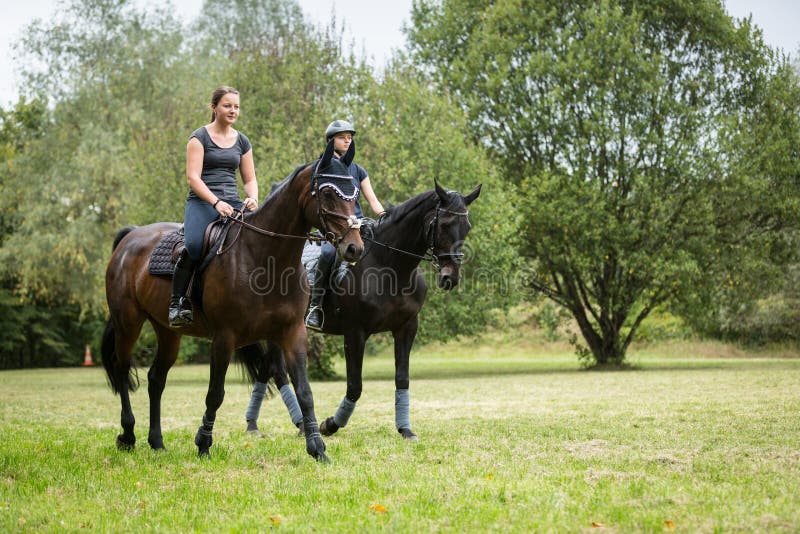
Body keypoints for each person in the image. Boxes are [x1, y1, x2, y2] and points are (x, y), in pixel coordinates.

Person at [169, 86, 259, 327]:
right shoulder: (198, 138)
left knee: (257, 240)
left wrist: (252, 197)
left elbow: (250, 179)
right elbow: (193, 178)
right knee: (194, 246)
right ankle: (178, 303)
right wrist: (216, 202)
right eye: (227, 105)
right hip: (202, 202)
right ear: (214, 107)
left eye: (236, 107)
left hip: (234, 202)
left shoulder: (242, 141)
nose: (233, 110)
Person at [304, 120, 384, 331]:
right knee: (327, 254)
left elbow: (373, 200)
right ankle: (315, 307)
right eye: (342, 137)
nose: (347, 141)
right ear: (330, 141)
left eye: (350, 138)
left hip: (358, 225)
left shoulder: (358, 170)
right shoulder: (321, 167)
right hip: (336, 229)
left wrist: (384, 215)